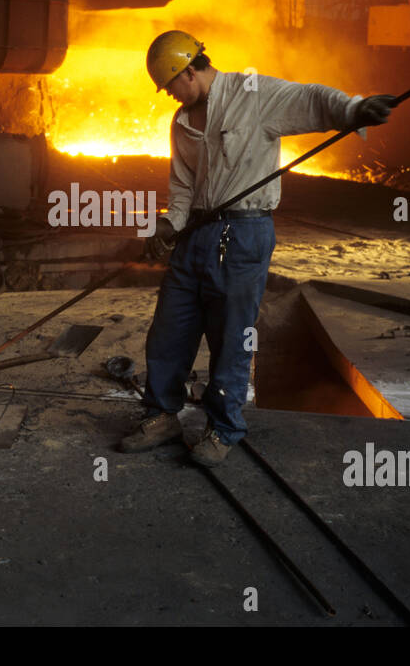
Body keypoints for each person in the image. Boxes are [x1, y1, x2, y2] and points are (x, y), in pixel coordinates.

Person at [118, 30, 395, 467]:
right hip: (195, 237)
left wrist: (354, 109)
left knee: (232, 338)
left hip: (243, 235)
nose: (169, 95)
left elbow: (311, 100)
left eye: (171, 85)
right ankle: (161, 415)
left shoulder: (253, 94)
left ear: (190, 70)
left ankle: (223, 429)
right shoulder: (183, 122)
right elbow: (184, 185)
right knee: (170, 328)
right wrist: (170, 223)